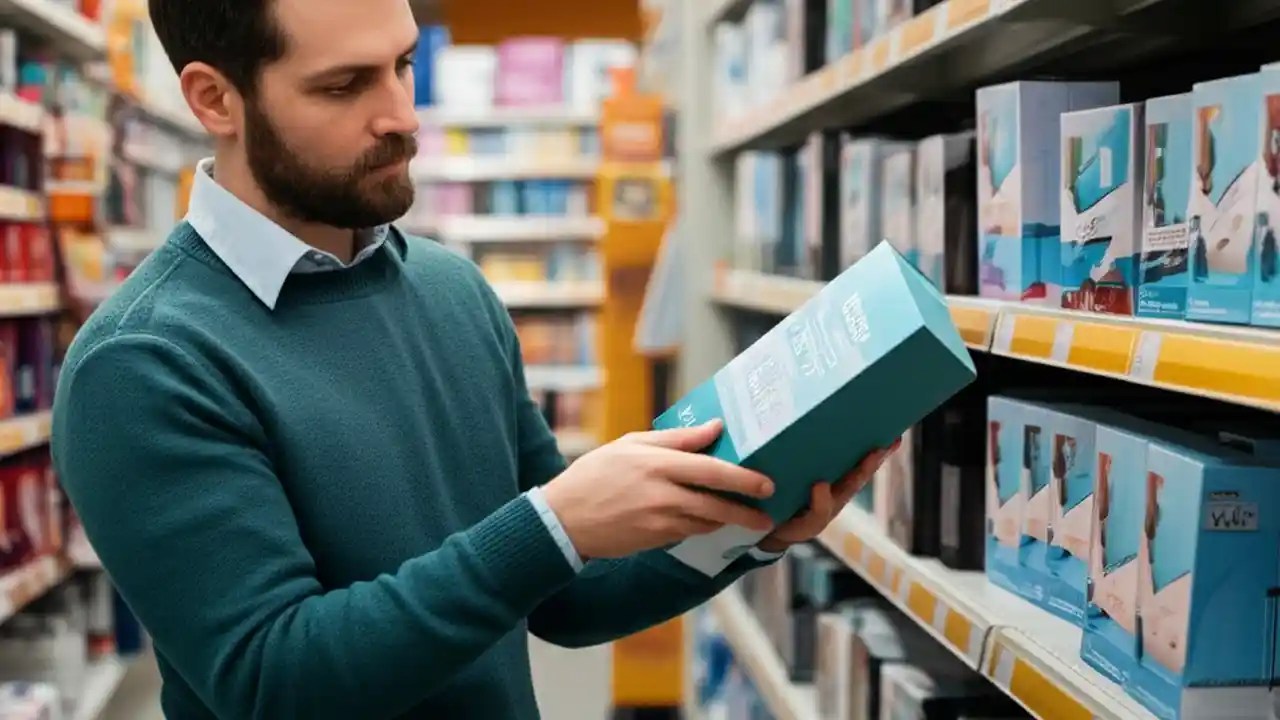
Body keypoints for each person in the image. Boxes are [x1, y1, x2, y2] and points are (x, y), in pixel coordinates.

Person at [50, 1, 895, 718]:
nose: (402, 117)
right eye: (345, 85)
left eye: (404, 65)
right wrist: (554, 524)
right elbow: (272, 678)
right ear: (214, 99)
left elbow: (563, 595)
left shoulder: (453, 293)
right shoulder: (143, 363)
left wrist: (745, 530)